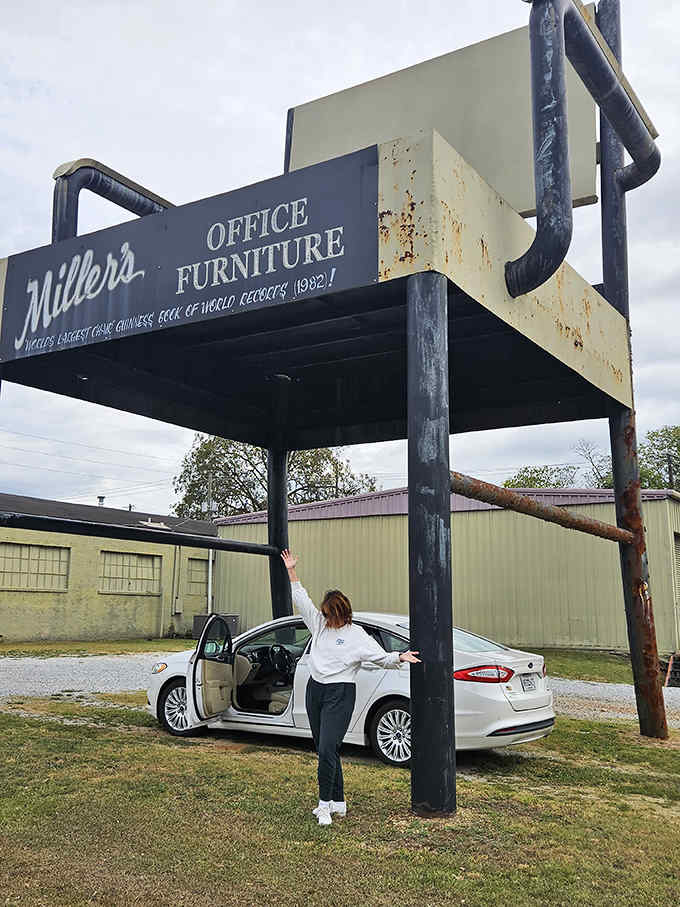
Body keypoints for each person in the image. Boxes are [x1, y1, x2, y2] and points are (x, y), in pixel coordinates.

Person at [281, 548, 421, 826]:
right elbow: (301, 598)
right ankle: (339, 802)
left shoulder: (357, 635)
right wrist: (291, 570)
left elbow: (379, 656)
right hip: (315, 690)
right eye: (324, 614)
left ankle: (323, 806)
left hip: (340, 694)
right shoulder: (319, 625)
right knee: (325, 749)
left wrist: (399, 657)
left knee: (327, 749)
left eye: (331, 615)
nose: (326, 619)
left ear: (342, 614)